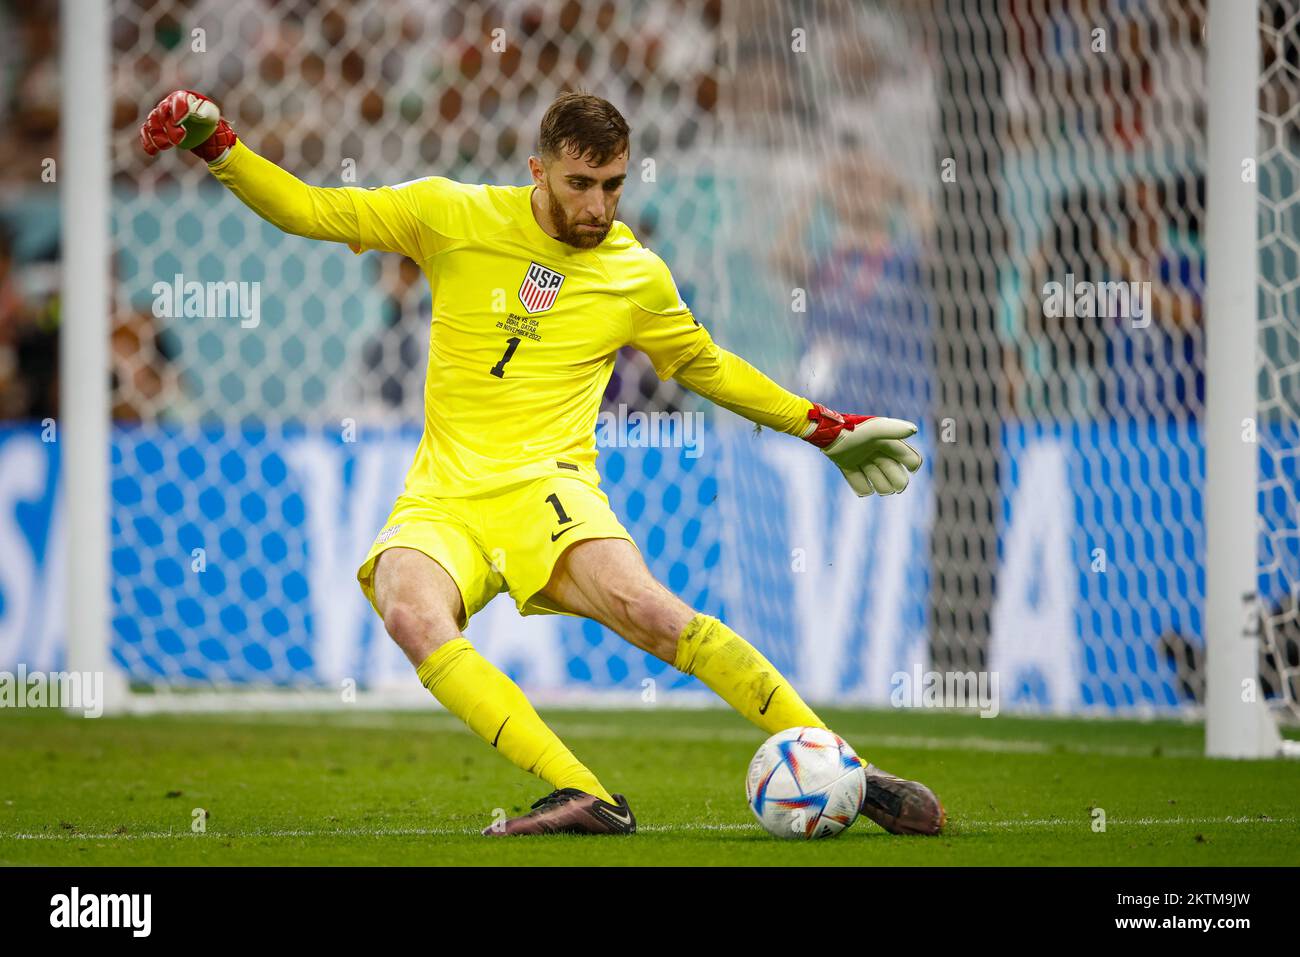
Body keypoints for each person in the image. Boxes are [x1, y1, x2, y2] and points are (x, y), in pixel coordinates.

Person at [140, 88, 943, 837]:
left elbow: (710, 367)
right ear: (538, 170)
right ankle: (584, 793)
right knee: (410, 611)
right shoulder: (450, 215)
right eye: (582, 183)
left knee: (653, 613)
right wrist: (222, 148)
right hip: (444, 497)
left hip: (550, 492)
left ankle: (850, 770)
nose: (598, 205)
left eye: (614, 185)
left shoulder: (636, 274)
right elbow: (312, 210)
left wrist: (825, 428)